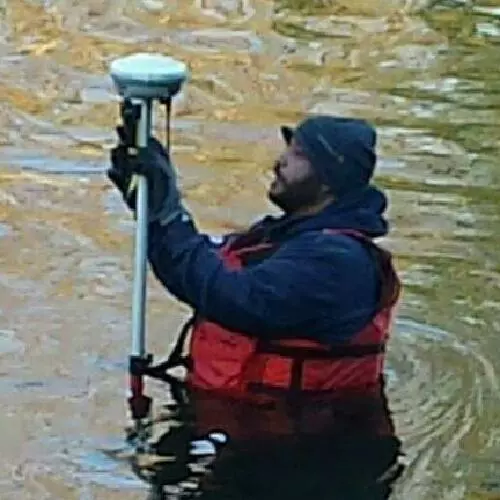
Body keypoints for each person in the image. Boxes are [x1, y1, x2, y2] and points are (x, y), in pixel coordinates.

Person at [108, 114, 401, 401]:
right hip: (240, 416)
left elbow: (234, 296)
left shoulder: (336, 262)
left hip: (292, 436)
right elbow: (196, 267)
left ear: (328, 180)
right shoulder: (285, 236)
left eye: (298, 154)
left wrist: (171, 214)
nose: (279, 162)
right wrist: (154, 214)